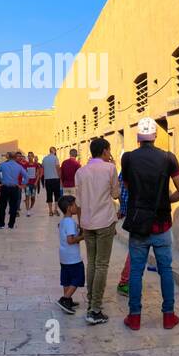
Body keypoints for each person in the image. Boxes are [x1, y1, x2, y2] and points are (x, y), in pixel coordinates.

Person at [120, 117, 179, 330]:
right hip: (162, 224)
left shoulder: (128, 159)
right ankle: (168, 316)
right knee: (165, 270)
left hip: (138, 225)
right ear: (155, 136)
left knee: (136, 271)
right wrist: (166, 200)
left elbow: (129, 187)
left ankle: (135, 317)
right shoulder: (169, 158)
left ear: (138, 137)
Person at [74, 136, 119, 325]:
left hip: (87, 222)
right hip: (105, 221)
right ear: (104, 151)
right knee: (101, 264)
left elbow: (78, 202)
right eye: (109, 150)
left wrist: (81, 223)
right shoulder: (110, 168)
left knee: (91, 262)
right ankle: (95, 309)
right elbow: (116, 194)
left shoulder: (81, 172)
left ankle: (92, 301)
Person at [56, 194, 85, 315]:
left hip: (64, 257)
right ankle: (65, 299)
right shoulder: (69, 222)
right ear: (69, 207)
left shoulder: (63, 221)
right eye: (74, 205)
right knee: (78, 278)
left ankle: (67, 300)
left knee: (66, 279)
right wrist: (84, 237)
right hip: (73, 258)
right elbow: (71, 240)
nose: (76, 207)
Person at [0, 151, 27, 229]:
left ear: (8, 157)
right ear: (15, 157)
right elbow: (26, 176)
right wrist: (23, 185)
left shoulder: (3, 165)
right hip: (14, 188)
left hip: (4, 187)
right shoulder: (19, 166)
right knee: (13, 207)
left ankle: (1, 224)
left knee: (2, 206)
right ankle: (11, 224)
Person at [41, 146, 62, 215]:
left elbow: (43, 168)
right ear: (55, 151)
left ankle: (50, 211)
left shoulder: (44, 159)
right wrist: (60, 178)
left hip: (47, 180)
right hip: (55, 179)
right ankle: (55, 209)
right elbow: (58, 168)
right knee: (57, 195)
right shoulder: (55, 158)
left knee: (49, 195)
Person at [23, 151, 41, 216]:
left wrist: (36, 182)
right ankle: (28, 211)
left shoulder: (36, 165)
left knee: (33, 198)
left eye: (31, 156)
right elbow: (23, 174)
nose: (30, 157)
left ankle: (30, 208)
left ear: (33, 157)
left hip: (34, 184)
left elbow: (38, 174)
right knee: (27, 197)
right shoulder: (25, 165)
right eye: (29, 156)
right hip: (27, 184)